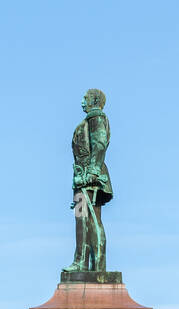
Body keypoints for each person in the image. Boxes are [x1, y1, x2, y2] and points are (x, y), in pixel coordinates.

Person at [64, 89, 113, 273]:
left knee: (87, 219)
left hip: (88, 178)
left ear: (94, 100)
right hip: (82, 178)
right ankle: (90, 263)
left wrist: (92, 171)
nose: (82, 101)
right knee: (85, 218)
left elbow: (99, 143)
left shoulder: (95, 118)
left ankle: (85, 263)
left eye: (85, 98)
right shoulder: (91, 119)